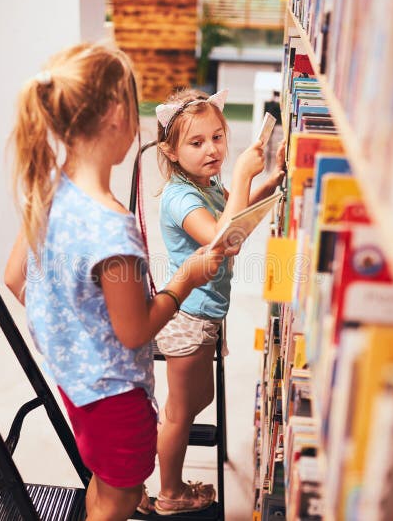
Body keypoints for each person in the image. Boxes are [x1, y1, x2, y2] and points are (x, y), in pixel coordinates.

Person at [3, 43, 233, 521]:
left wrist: (73, 331)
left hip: (75, 382)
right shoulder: (113, 227)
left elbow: (13, 278)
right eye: (136, 105)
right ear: (115, 114)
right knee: (121, 497)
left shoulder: (48, 187)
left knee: (103, 483)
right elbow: (136, 331)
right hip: (114, 394)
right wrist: (187, 277)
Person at [153, 88, 285, 514]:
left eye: (217, 138)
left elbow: (237, 216)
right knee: (178, 413)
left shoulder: (208, 184)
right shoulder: (181, 197)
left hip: (207, 317)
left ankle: (167, 449)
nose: (211, 150)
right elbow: (223, 240)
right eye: (196, 143)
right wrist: (245, 175)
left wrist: (271, 180)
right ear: (170, 151)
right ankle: (169, 494)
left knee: (198, 401)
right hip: (186, 316)